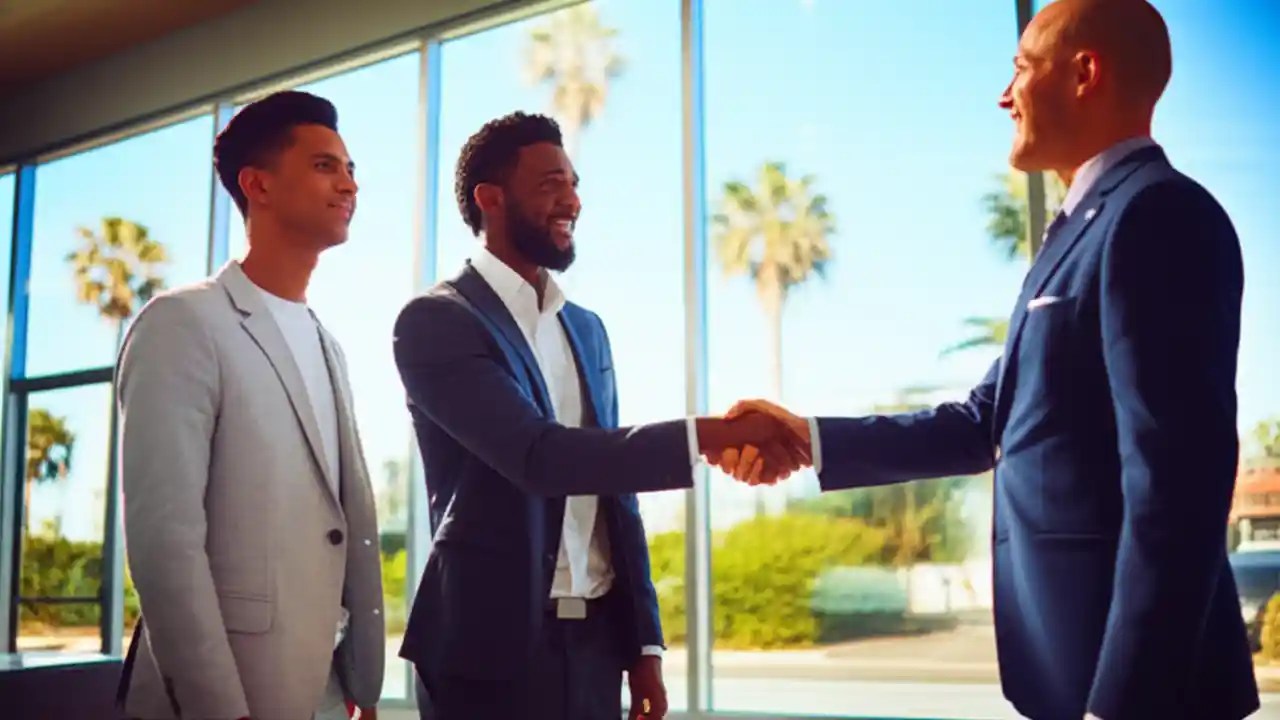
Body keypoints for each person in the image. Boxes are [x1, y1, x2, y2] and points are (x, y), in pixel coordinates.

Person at [721, 1, 1258, 718]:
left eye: (1020, 70)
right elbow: (986, 423)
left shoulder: (1158, 216)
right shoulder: (1083, 230)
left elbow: (1177, 489)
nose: (1004, 96)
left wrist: (1124, 705)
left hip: (1135, 691)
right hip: (1067, 672)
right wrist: (807, 437)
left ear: (1083, 73)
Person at [392, 111, 804, 720]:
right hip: (484, 653)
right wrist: (711, 436)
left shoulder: (586, 329)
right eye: (550, 184)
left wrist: (643, 644)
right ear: (491, 198)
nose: (573, 202)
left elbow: (616, 489)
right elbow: (540, 456)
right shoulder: (436, 322)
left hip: (595, 650)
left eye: (575, 184)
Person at [115, 91, 384, 720]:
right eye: (325, 166)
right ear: (257, 185)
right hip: (223, 694)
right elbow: (165, 544)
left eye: (350, 169)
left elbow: (339, 523)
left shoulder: (329, 345)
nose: (348, 183)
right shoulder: (183, 322)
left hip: (321, 687)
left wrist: (356, 684)